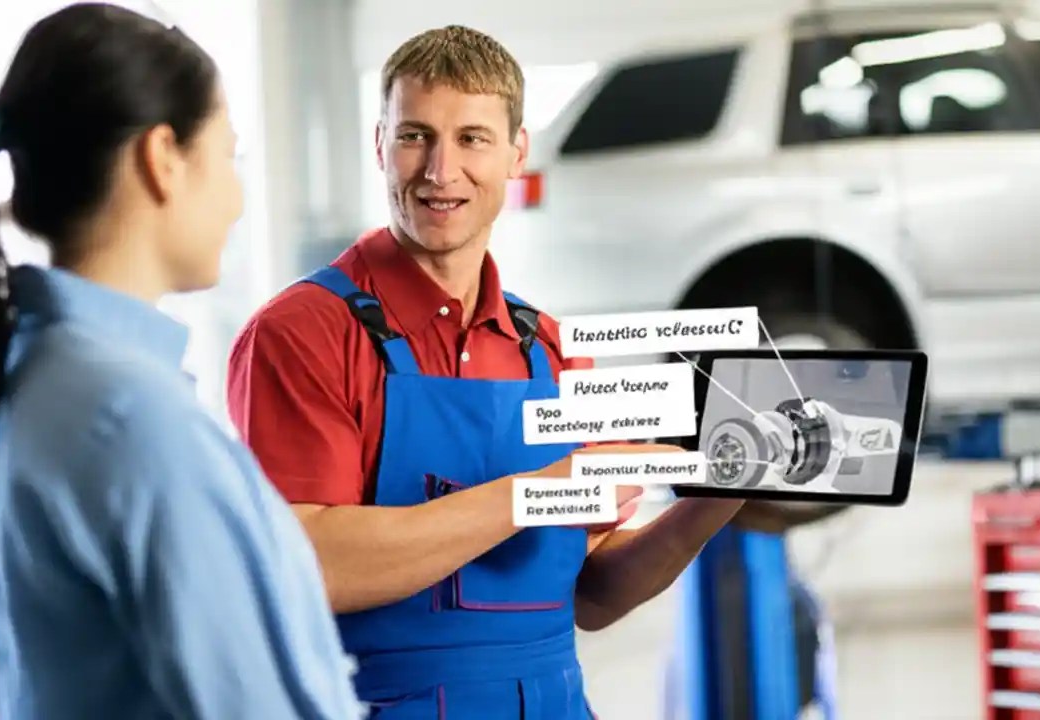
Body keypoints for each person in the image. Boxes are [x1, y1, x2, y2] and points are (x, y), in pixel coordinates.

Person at [226, 24, 745, 718]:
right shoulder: (303, 335)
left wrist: (710, 502)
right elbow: (309, 567)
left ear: (515, 154)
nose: (441, 171)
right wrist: (545, 490)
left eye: (472, 138)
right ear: (379, 146)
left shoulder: (551, 348)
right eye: (415, 136)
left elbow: (587, 593)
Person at [0, 4, 361, 719]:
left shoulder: (53, 381)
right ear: (162, 158)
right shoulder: (129, 417)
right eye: (227, 156)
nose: (235, 200)